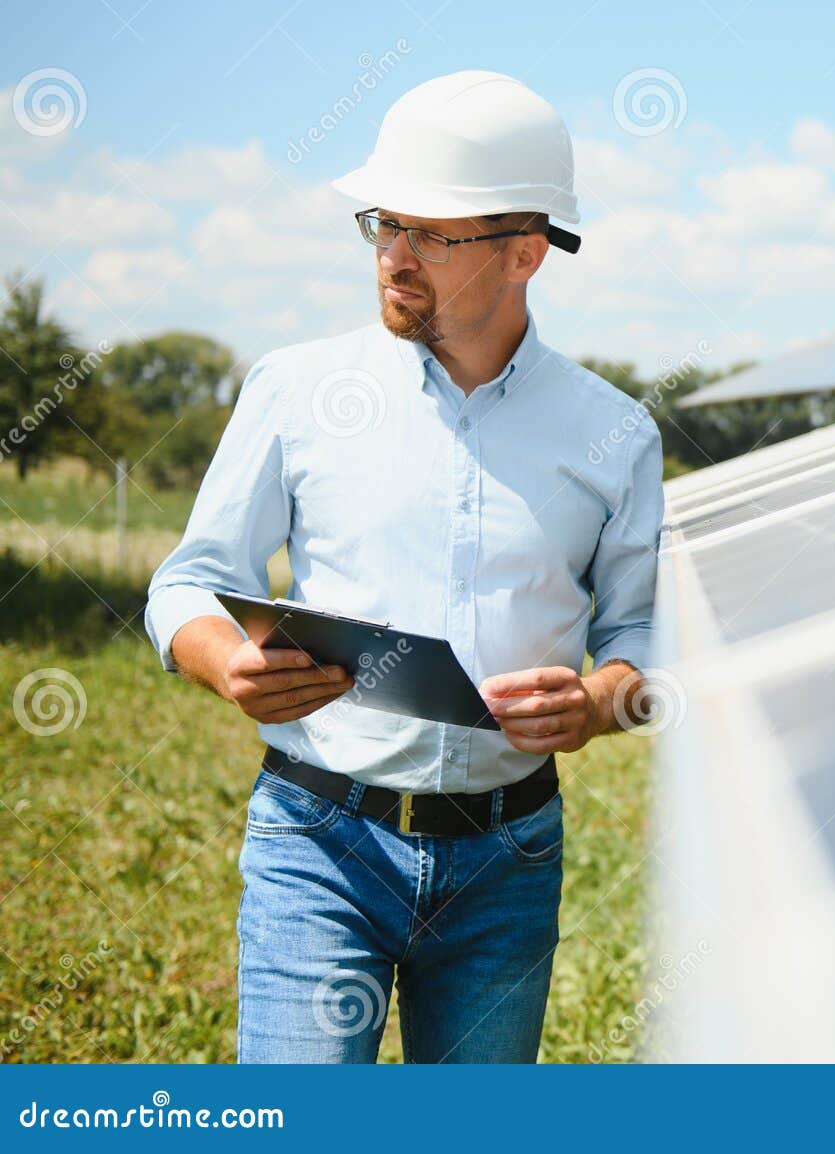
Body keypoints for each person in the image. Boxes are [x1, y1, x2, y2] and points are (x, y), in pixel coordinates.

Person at [143, 70, 664, 1063]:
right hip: (318, 842)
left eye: (430, 232)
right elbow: (185, 580)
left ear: (526, 251)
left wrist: (600, 700)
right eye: (384, 223)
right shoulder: (296, 390)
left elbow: (644, 640)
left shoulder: (616, 436)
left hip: (508, 862)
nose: (393, 255)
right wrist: (224, 660)